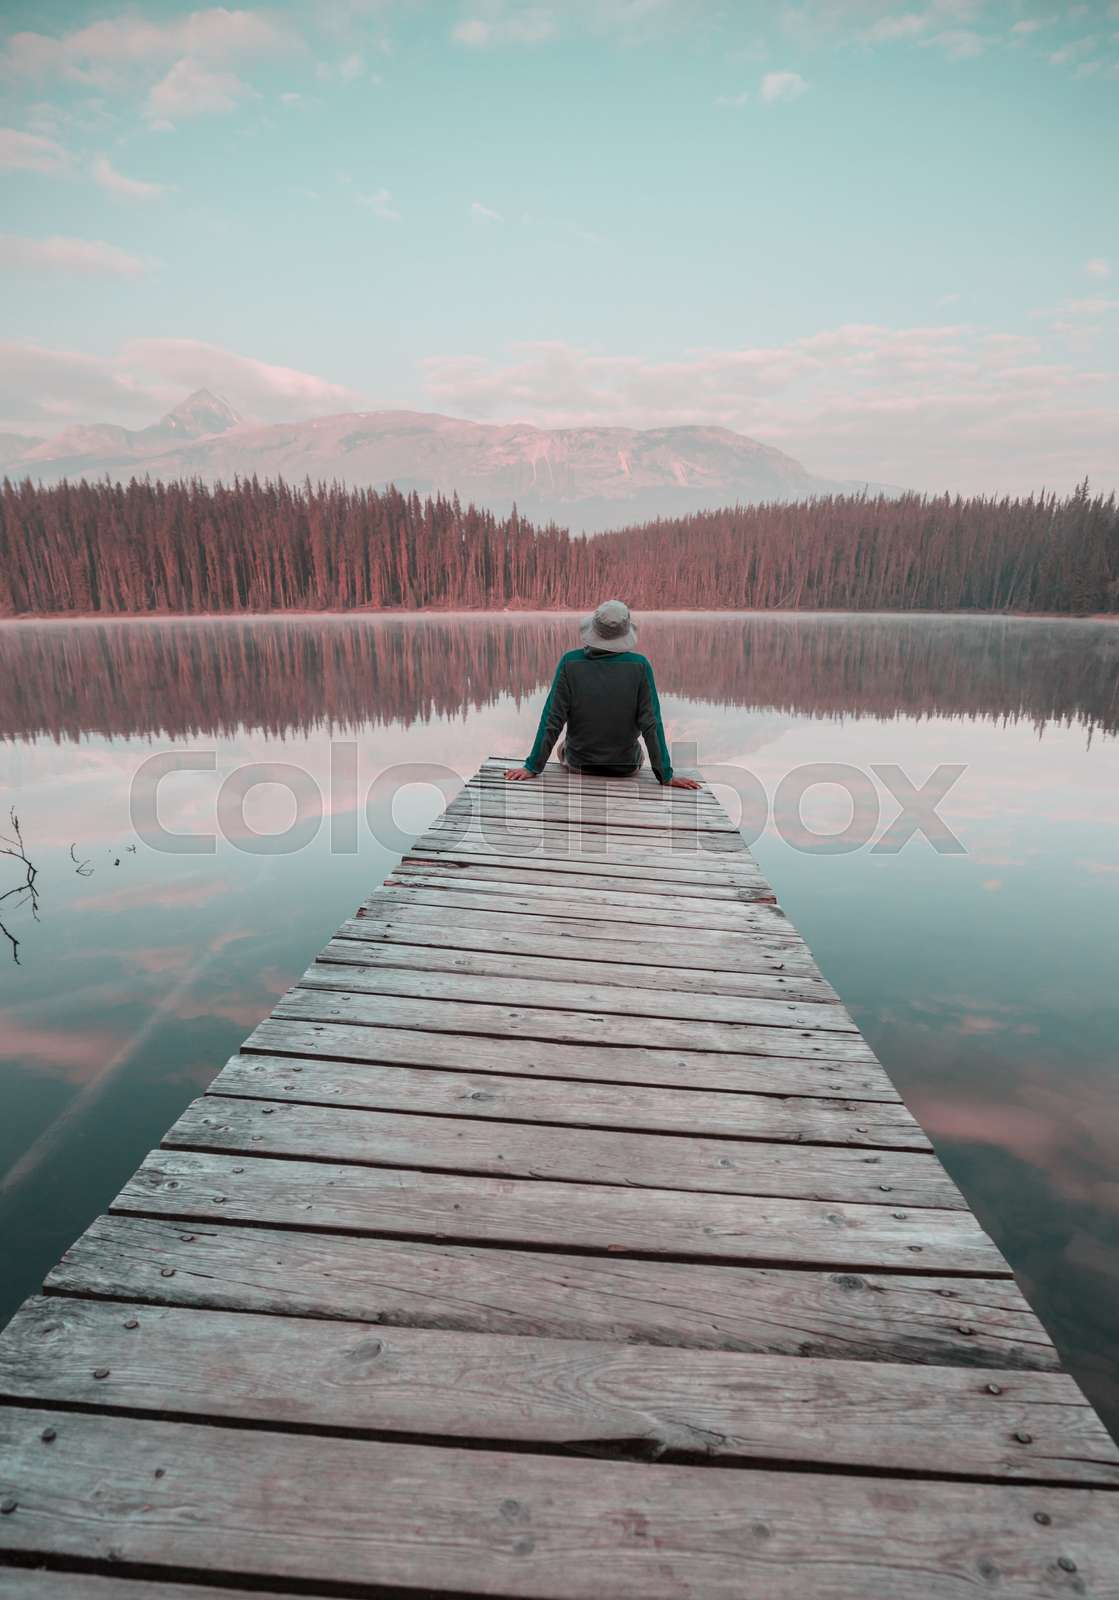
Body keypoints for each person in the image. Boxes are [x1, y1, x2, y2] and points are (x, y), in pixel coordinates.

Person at [505, 600, 701, 788]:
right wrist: (665, 774)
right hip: (626, 766)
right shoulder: (640, 666)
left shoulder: (569, 663)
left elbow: (552, 719)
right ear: (625, 633)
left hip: (578, 763)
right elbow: (651, 723)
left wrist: (532, 767)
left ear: (594, 629)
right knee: (636, 750)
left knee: (564, 747)